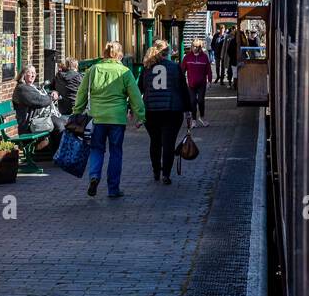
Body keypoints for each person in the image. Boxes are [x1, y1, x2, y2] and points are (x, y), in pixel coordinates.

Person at [73, 41, 145, 199]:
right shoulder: (125, 72)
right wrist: (141, 115)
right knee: (116, 153)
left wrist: (77, 112)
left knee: (96, 150)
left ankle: (94, 176)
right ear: (119, 54)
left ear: (104, 53)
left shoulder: (92, 70)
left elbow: (82, 93)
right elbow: (135, 96)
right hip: (117, 119)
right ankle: (113, 188)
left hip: (97, 118)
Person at [138, 40, 192, 185]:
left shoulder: (147, 68)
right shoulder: (175, 67)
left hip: (151, 111)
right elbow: (183, 90)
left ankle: (156, 170)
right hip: (172, 110)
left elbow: (140, 89)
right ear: (167, 53)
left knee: (155, 142)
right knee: (169, 143)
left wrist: (136, 111)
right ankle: (166, 174)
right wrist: (189, 111)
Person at [12, 65, 65, 135]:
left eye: (34, 73)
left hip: (39, 119)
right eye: (30, 73)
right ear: (23, 74)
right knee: (60, 125)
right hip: (30, 124)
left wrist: (53, 93)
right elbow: (39, 100)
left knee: (66, 121)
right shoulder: (22, 89)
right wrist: (51, 98)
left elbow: (42, 94)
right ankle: (57, 146)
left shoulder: (32, 86)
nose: (33, 75)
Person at [182, 37, 212, 127]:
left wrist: (210, 81)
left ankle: (202, 117)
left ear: (200, 47)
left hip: (202, 84)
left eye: (197, 47)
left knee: (201, 101)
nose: (194, 48)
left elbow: (209, 70)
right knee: (192, 101)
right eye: (193, 46)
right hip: (191, 84)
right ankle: (194, 120)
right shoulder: (187, 57)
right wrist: (181, 81)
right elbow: (182, 70)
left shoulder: (204, 57)